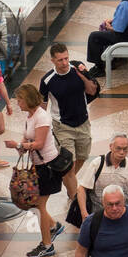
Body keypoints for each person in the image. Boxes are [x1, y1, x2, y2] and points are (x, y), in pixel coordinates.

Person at [4, 84, 74, 257]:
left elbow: (39, 144)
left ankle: (47, 244)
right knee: (36, 204)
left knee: (39, 206)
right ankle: (53, 227)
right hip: (38, 166)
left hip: (47, 167)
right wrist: (20, 146)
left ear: (27, 99)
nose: (18, 102)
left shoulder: (41, 117)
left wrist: (19, 145)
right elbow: (28, 138)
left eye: (19, 99)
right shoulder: (30, 116)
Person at [39, 42, 99, 175]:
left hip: (83, 122)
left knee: (83, 157)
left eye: (66, 58)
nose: (65, 63)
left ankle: (69, 181)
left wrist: (84, 76)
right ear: (52, 60)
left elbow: (91, 91)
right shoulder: (47, 80)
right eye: (60, 60)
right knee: (68, 162)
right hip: (62, 126)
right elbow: (42, 107)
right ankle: (73, 192)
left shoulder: (77, 70)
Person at [75, 133, 128, 221]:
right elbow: (82, 188)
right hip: (98, 215)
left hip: (121, 216)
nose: (122, 152)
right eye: (118, 148)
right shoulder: (97, 164)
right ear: (111, 146)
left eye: (125, 149)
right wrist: (84, 212)